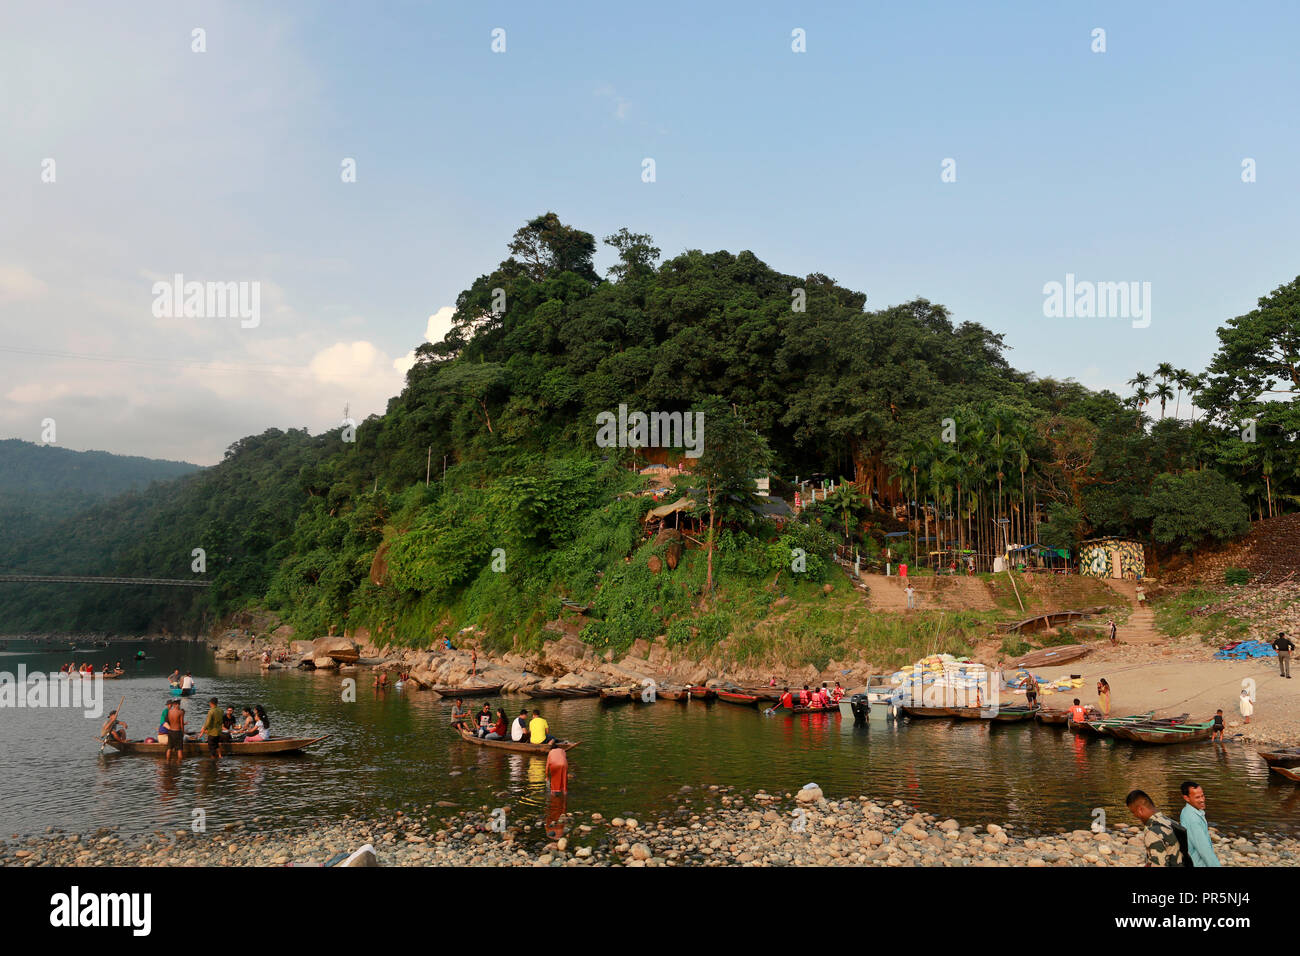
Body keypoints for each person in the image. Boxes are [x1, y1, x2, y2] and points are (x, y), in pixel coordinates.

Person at [1124, 790, 1186, 867]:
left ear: (1140, 810)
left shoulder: (1152, 832)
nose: (1135, 816)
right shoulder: (1171, 822)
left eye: (1133, 812)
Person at [1179, 781, 1220, 867]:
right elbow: (1204, 849)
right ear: (1186, 798)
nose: (1202, 800)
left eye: (1202, 795)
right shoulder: (1193, 818)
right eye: (1197, 797)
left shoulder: (1186, 811)